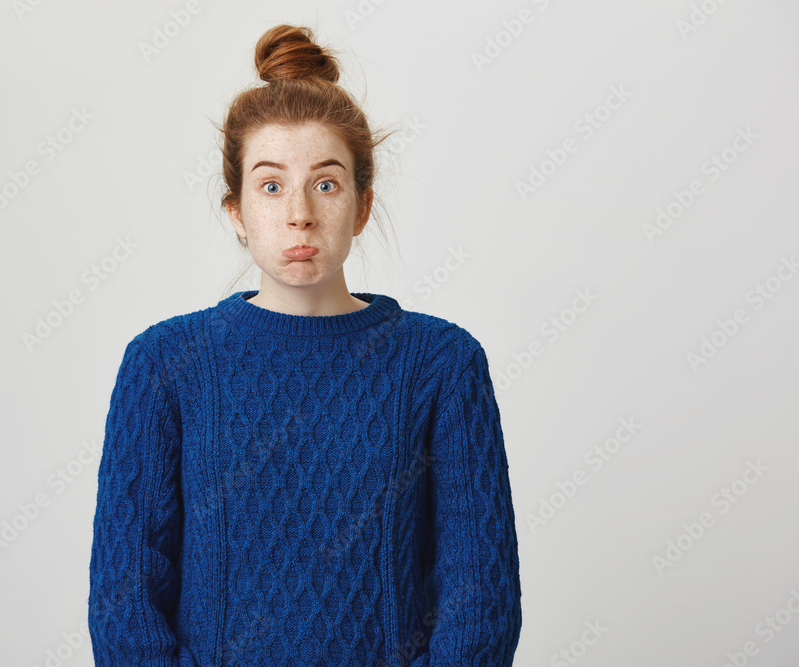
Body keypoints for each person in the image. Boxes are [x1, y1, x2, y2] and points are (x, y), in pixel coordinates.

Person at [87, 23, 522, 667]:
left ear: (362, 204)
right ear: (235, 209)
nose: (299, 213)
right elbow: (125, 601)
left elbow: (480, 598)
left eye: (325, 183)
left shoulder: (443, 365)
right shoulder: (164, 365)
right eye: (270, 185)